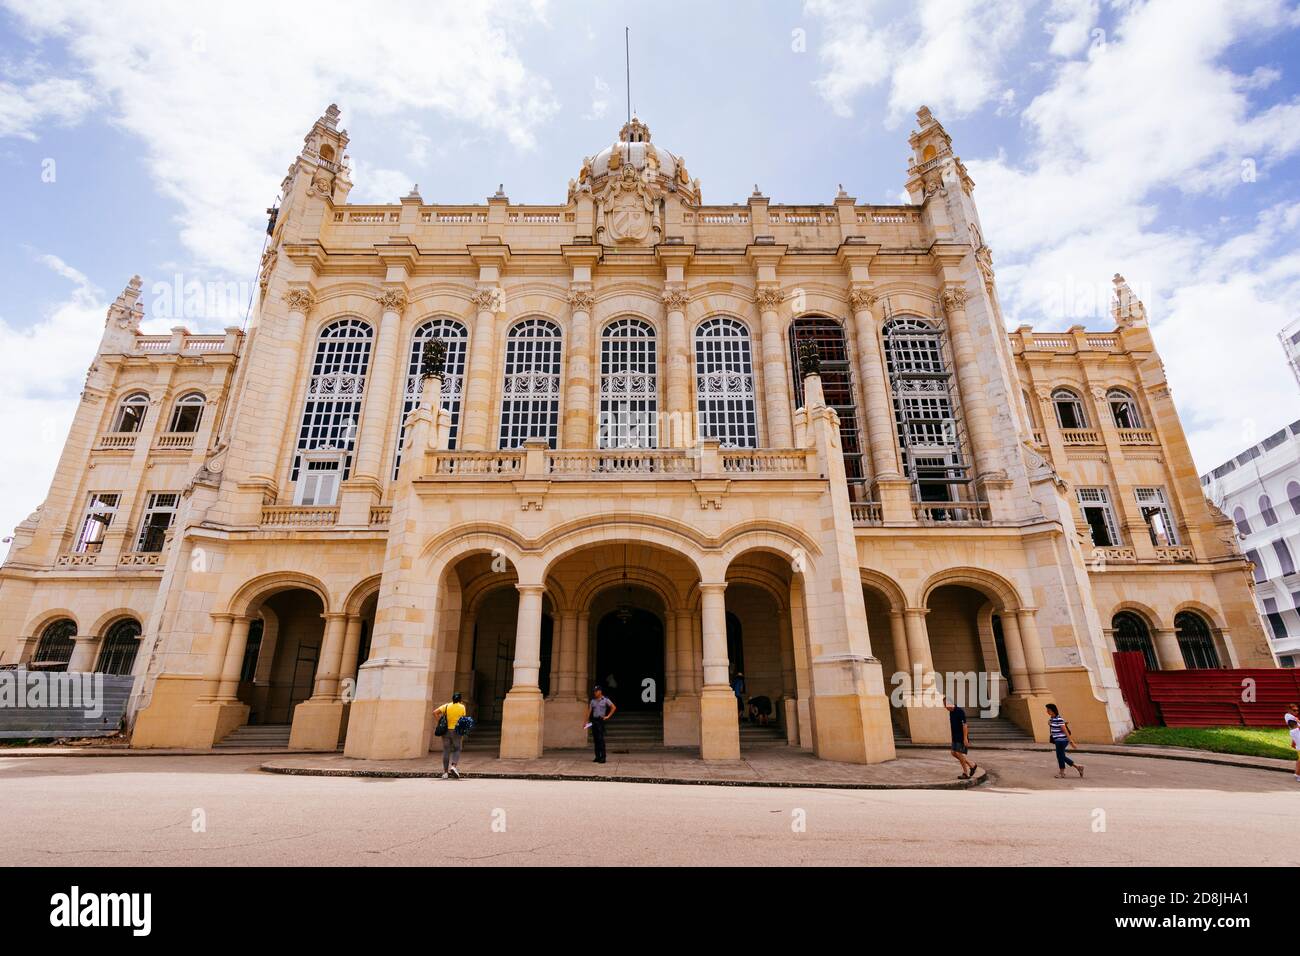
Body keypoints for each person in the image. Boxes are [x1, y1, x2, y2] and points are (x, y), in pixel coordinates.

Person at [433, 691, 467, 779]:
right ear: (460, 699)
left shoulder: (447, 706)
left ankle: (445, 773)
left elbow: (435, 712)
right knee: (457, 749)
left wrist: (440, 722)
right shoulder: (462, 707)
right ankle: (453, 766)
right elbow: (463, 718)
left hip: (445, 731)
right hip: (456, 731)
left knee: (446, 750)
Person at [1046, 703, 1084, 779]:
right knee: (1061, 756)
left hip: (1062, 740)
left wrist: (1071, 741)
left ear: (1053, 710)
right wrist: (1049, 723)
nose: (1047, 711)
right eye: (1047, 710)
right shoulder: (1052, 719)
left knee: (1060, 756)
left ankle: (1064, 772)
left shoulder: (1059, 719)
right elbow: (1053, 729)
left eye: (1048, 710)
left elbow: (1065, 731)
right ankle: (1076, 768)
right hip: (1058, 740)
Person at [945, 697, 978, 779]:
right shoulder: (951, 712)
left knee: (959, 754)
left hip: (961, 736)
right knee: (953, 753)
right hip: (955, 736)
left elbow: (965, 725)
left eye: (945, 705)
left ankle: (965, 773)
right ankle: (972, 765)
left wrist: (965, 738)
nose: (945, 707)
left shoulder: (959, 711)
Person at [585, 685, 617, 763]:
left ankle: (603, 757)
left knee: (601, 740)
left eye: (596, 691)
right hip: (594, 721)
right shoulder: (592, 701)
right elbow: (589, 711)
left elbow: (613, 707)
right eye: (594, 691)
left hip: (600, 721)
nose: (595, 693)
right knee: (596, 740)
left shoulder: (605, 700)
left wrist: (608, 716)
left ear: (600, 691)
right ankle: (597, 757)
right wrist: (586, 721)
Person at [1286, 702, 1300, 782]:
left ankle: (1297, 774)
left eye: (1297, 710)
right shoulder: (1288, 716)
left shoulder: (1293, 717)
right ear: (1289, 710)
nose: (1296, 712)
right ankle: (1298, 776)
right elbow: (1293, 726)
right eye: (1294, 710)